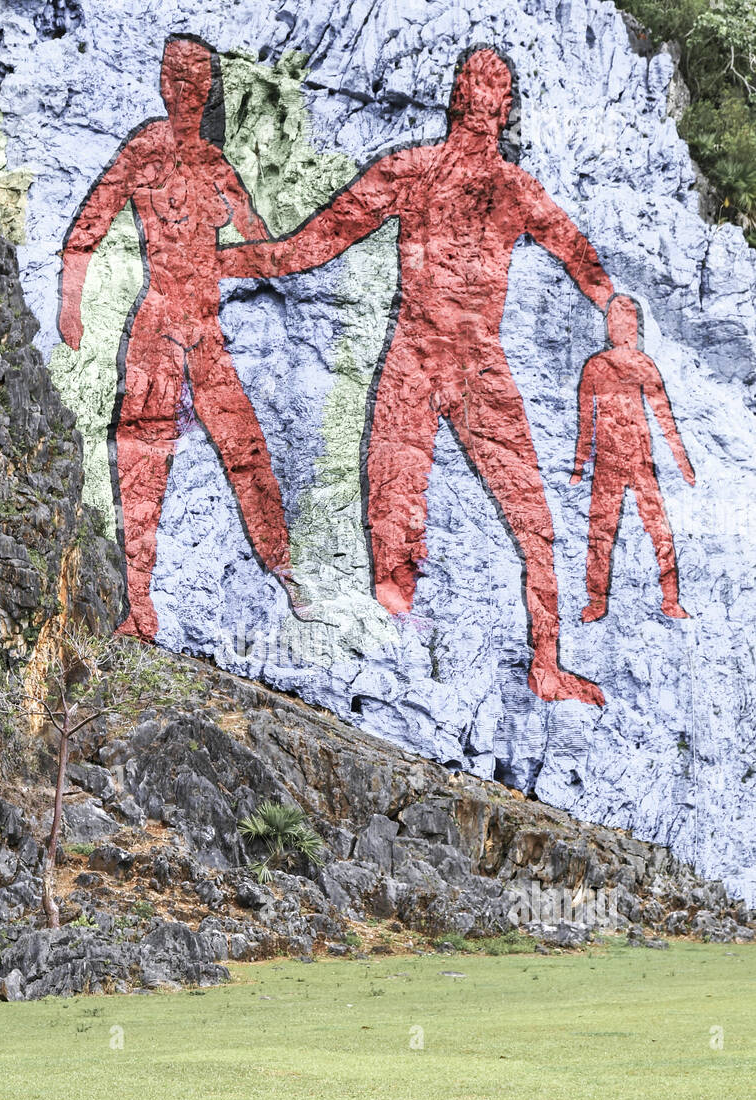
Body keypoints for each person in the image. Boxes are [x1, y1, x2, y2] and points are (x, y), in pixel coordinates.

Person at [221, 46, 615, 705]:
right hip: (421, 353)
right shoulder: (424, 174)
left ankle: (540, 666)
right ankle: (407, 641)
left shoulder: (490, 186)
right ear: (466, 103)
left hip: (466, 361)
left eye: (488, 101)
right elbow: (307, 246)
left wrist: (610, 303)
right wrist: (224, 262)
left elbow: (576, 252)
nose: (482, 111)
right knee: (396, 502)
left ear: (492, 109)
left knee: (516, 517)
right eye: (477, 98)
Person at [59, 34, 295, 640]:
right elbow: (88, 224)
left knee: (247, 449)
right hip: (158, 327)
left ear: (209, 88)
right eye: (176, 75)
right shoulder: (146, 149)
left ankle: (287, 572)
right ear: (163, 82)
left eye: (197, 78)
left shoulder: (218, 166)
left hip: (207, 333)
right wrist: (70, 302)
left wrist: (240, 255)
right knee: (142, 459)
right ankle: (137, 601)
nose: (186, 88)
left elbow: (260, 244)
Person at [571, 294, 695, 622]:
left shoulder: (643, 364)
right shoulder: (595, 367)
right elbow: (586, 419)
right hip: (607, 466)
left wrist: (683, 464)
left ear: (635, 327)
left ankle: (670, 599)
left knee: (660, 532)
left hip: (641, 463)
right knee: (600, 534)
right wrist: (579, 464)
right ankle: (596, 601)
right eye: (614, 320)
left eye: (626, 321)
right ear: (608, 327)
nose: (620, 327)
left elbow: (664, 416)